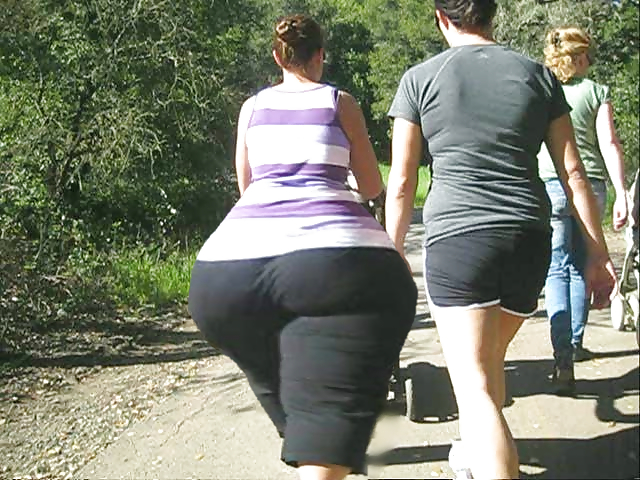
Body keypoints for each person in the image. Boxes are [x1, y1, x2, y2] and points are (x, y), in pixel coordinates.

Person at [385, 1, 616, 479]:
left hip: (460, 241)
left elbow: (403, 182)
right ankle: (475, 455)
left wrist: (393, 250)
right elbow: (573, 173)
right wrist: (597, 253)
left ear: (441, 18)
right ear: (492, 15)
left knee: (473, 388)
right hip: (528, 240)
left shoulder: (420, 78)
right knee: (487, 367)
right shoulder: (538, 75)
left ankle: (484, 458)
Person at [188, 14, 417, 480]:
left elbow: (248, 186)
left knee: (299, 408)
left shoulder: (251, 108)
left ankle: (314, 435)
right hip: (330, 262)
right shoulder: (338, 102)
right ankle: (321, 437)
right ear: (320, 56)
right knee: (391, 296)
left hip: (224, 273)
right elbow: (372, 185)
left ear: (278, 56)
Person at [538, 27, 628, 380]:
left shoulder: (542, 89)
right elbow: (610, 144)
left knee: (556, 267)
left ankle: (561, 353)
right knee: (582, 264)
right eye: (588, 54)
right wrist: (622, 191)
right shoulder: (595, 92)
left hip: (551, 184)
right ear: (578, 57)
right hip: (590, 186)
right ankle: (575, 342)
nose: (591, 61)